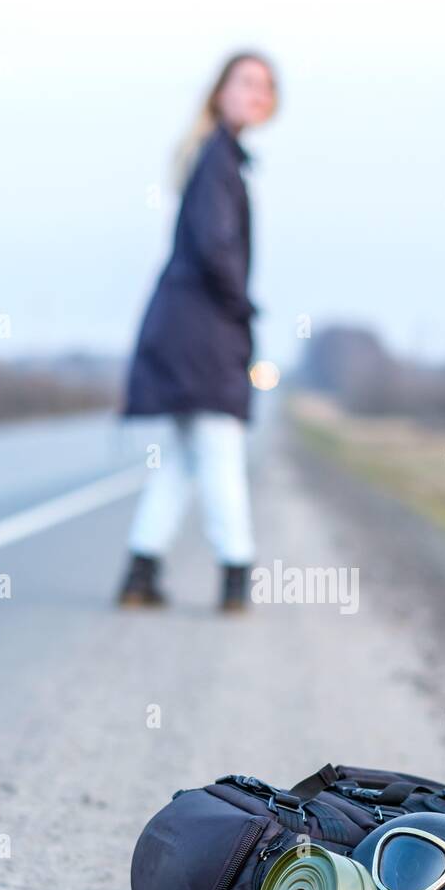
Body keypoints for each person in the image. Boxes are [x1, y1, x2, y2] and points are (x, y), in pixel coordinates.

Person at [117, 52, 278, 612]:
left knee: (185, 459)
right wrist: (243, 307)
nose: (257, 94)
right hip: (203, 331)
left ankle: (140, 574)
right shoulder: (219, 160)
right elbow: (216, 247)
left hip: (184, 327)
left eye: (266, 87)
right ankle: (237, 578)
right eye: (247, 82)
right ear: (220, 92)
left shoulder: (218, 157)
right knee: (221, 451)